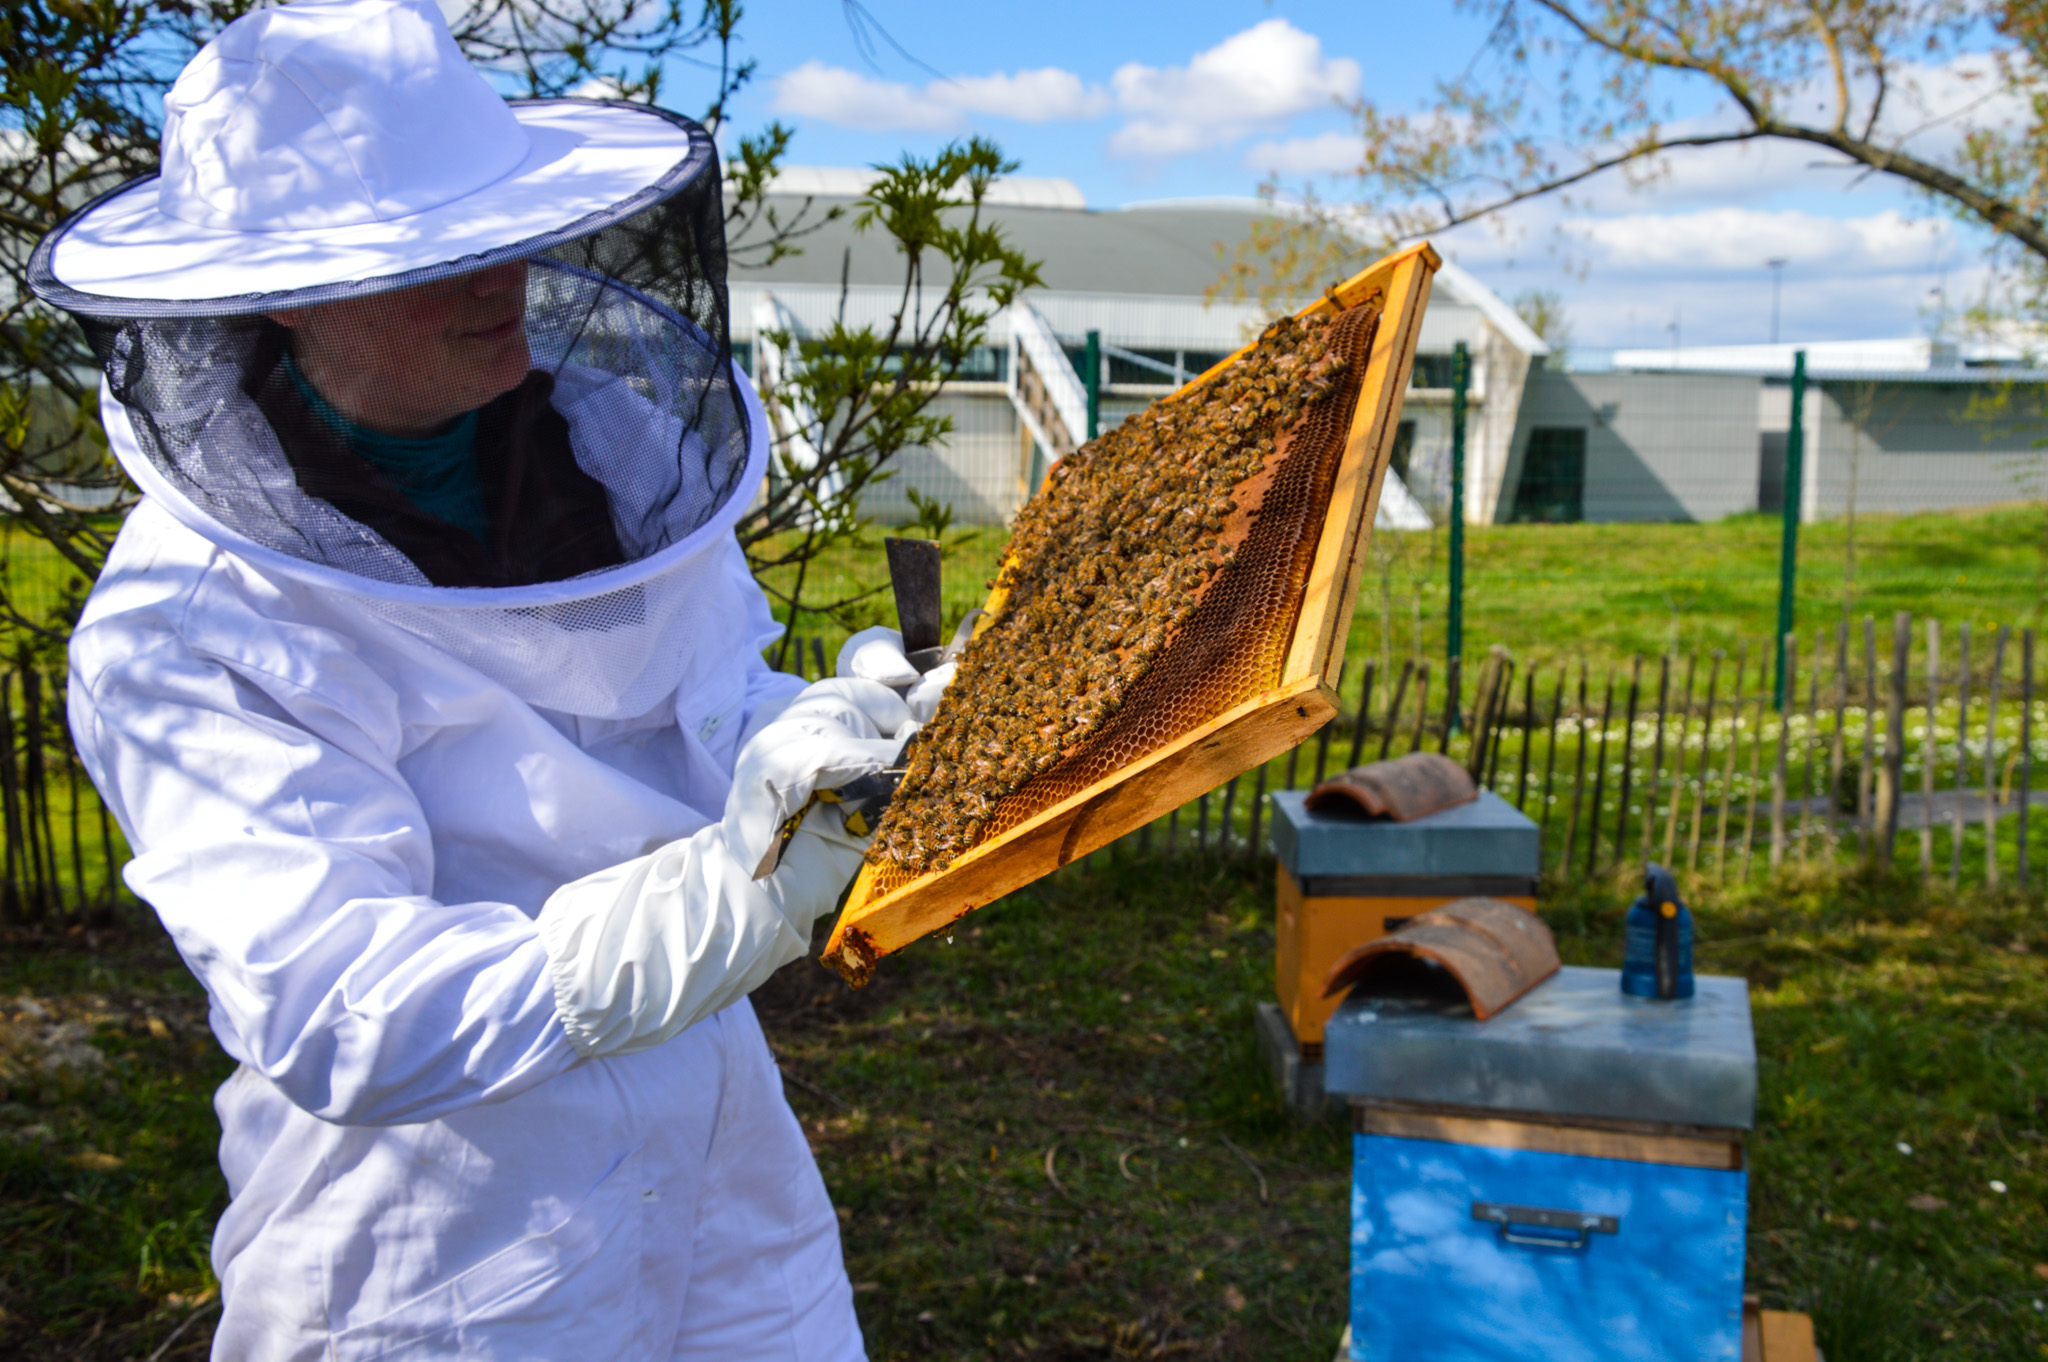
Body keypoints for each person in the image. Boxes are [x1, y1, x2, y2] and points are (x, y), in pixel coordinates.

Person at [29, 1, 948, 1356]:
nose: (497, 272)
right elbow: (347, 1009)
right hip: (432, 1255)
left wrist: (840, 732)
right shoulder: (189, 622)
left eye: (498, 224)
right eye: (429, 249)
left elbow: (705, 711)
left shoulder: (619, 449)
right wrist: (732, 896)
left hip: (726, 1191)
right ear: (284, 291)